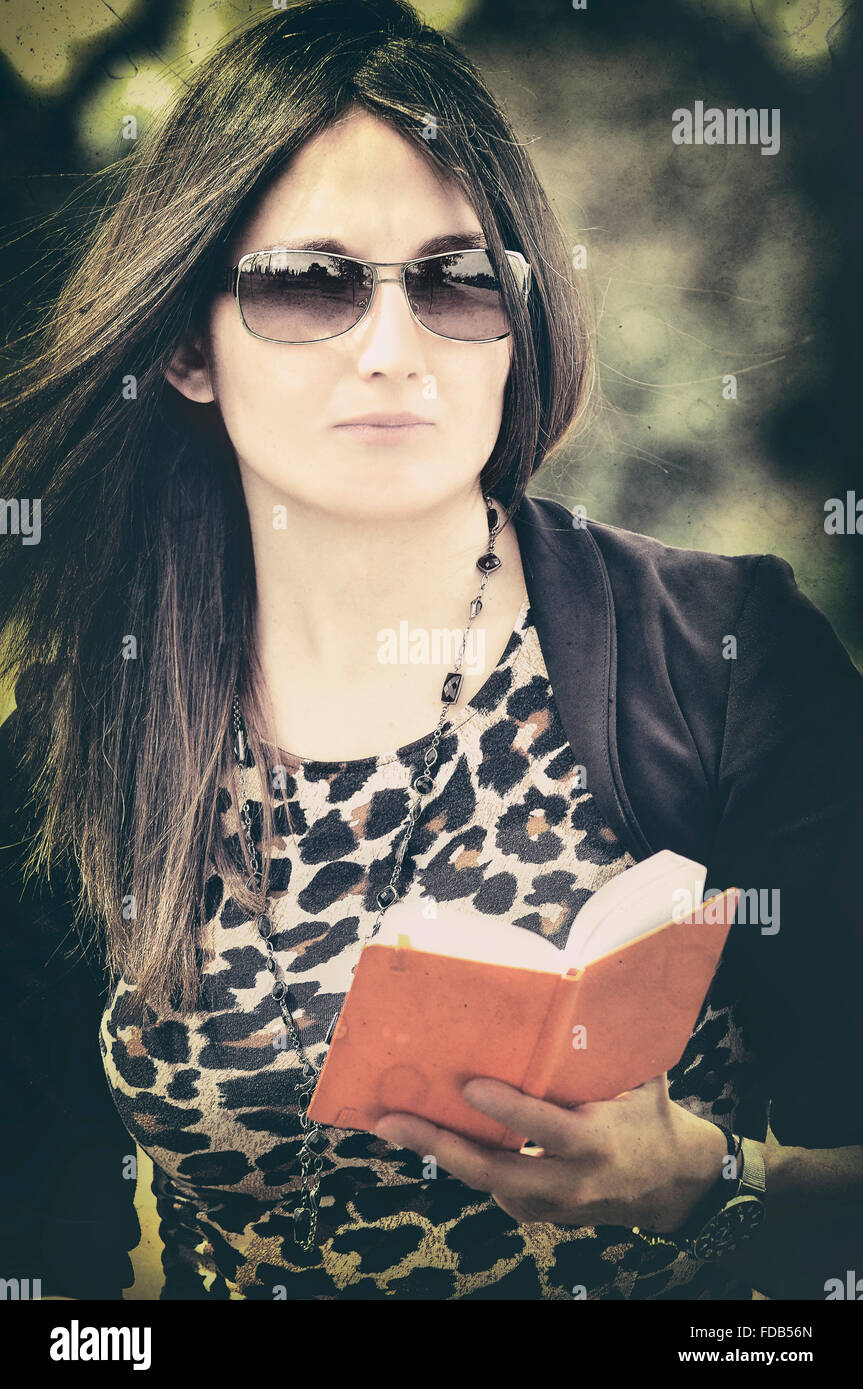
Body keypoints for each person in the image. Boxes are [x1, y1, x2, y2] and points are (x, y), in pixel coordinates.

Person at [1, 0, 861, 1303]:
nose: (394, 349)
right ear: (186, 344)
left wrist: (715, 1175)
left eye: (459, 278)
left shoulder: (727, 662)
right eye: (309, 281)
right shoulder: (87, 718)